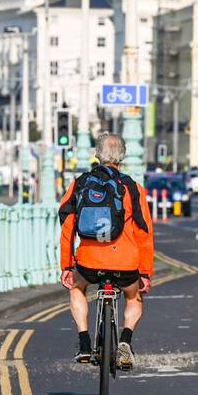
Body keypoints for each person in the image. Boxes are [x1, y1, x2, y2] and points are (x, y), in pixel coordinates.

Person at [58, 133, 153, 370]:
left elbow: (67, 228)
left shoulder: (79, 184)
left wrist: (67, 266)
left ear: (97, 154)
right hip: (125, 263)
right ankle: (125, 341)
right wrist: (145, 273)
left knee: (76, 287)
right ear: (123, 156)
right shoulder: (133, 188)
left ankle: (83, 342)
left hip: (89, 262)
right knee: (134, 297)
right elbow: (144, 233)